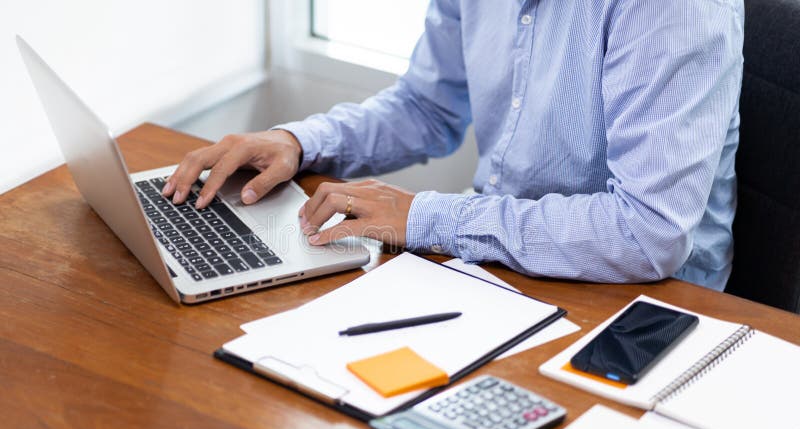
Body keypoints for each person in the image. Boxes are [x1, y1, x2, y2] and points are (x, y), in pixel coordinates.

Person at [162, 0, 744, 290]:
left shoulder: (675, 9)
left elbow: (647, 233)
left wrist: (423, 215)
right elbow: (427, 106)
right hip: (498, 259)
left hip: (641, 299)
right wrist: (298, 141)